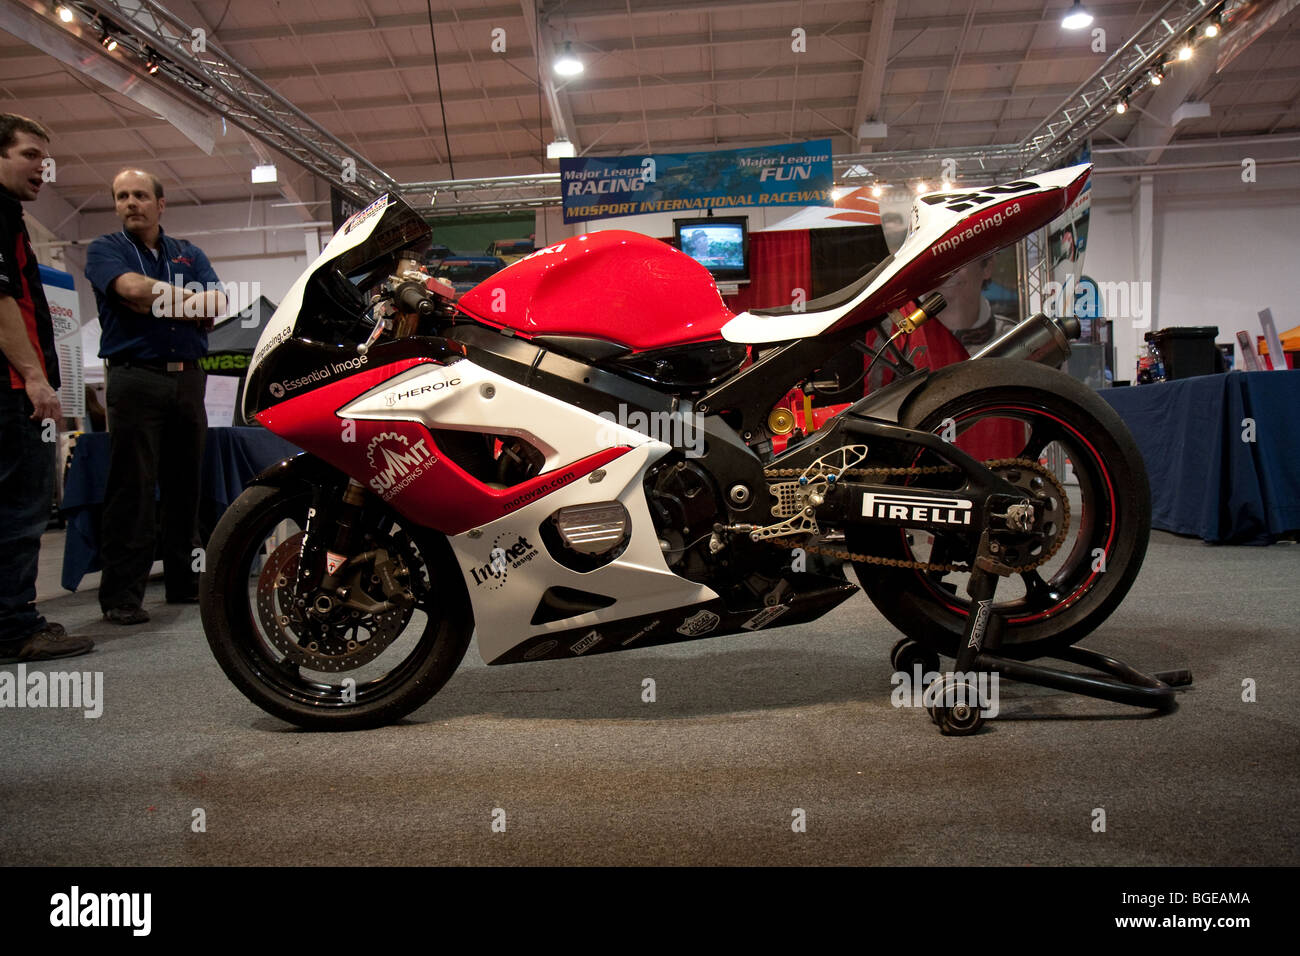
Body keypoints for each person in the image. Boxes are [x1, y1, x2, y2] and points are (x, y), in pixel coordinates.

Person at [85, 169, 225, 625]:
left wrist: (153, 300)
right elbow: (128, 288)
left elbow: (218, 305)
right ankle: (123, 597)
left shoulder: (189, 253)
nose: (131, 203)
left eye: (140, 195)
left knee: (187, 486)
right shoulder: (105, 250)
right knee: (132, 488)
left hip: (188, 379)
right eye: (122, 196)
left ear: (160, 204)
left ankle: (185, 583)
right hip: (134, 379)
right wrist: (188, 302)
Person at [0, 113, 93, 663]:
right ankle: (14, 629)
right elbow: (2, 300)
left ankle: (14, 618)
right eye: (30, 154)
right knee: (20, 512)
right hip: (10, 390)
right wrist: (35, 379)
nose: (43, 166)